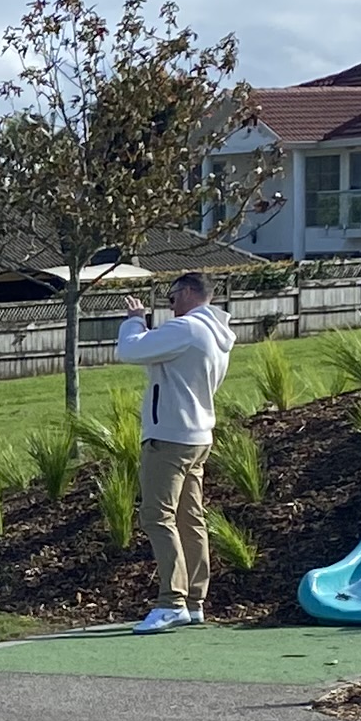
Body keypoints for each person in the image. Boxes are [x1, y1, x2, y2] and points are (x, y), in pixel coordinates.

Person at [109, 269, 234, 631]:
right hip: (198, 437)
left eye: (173, 296)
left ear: (190, 293)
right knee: (189, 518)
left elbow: (130, 350)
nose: (171, 304)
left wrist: (134, 321)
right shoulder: (215, 335)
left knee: (157, 516)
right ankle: (195, 600)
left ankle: (172, 601)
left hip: (170, 438)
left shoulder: (187, 329)